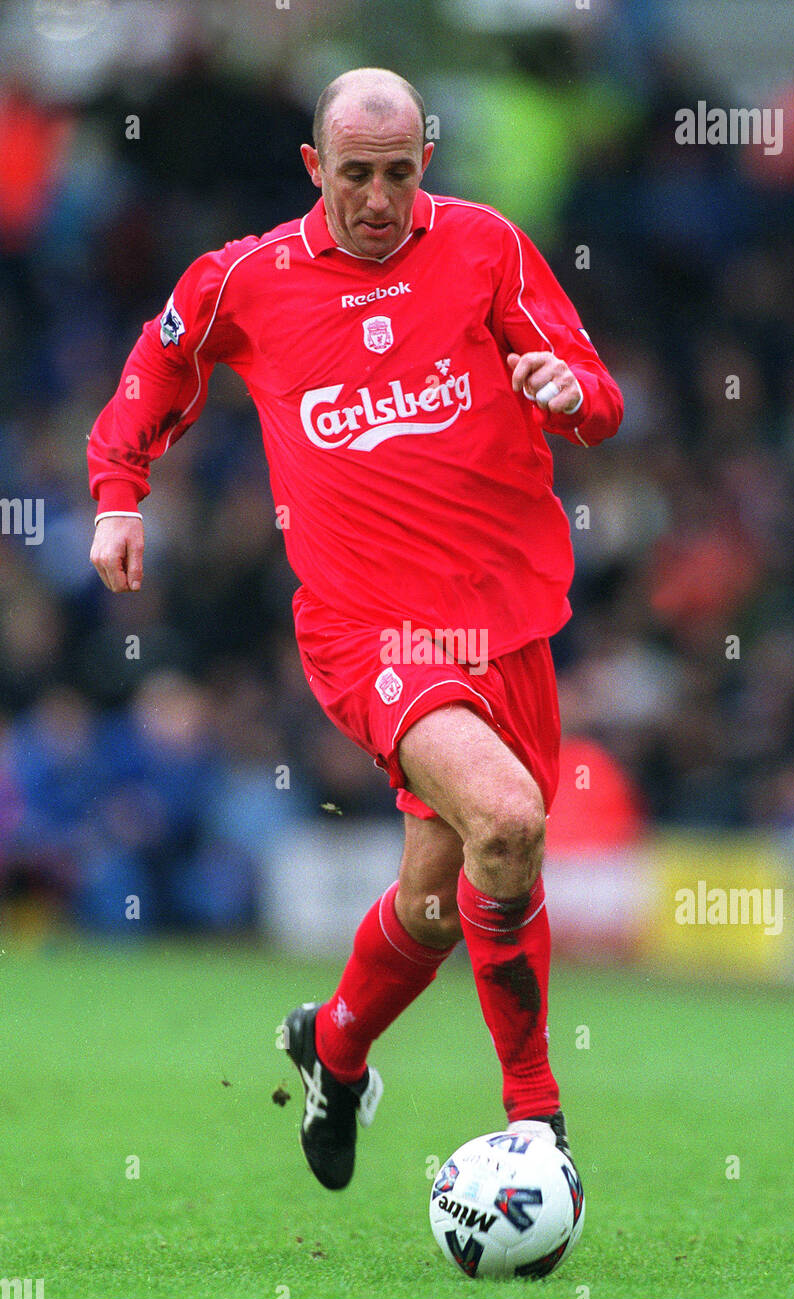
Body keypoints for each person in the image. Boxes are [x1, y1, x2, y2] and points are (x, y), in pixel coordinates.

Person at [88, 67, 623, 1198]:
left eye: (396, 173)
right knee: (512, 820)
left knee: (437, 901)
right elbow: (158, 364)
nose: (376, 199)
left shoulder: (485, 247)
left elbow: (595, 389)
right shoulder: (247, 278)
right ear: (312, 169)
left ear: (422, 160)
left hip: (506, 624)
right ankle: (536, 1118)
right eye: (354, 176)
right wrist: (118, 491)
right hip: (367, 632)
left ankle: (331, 1051)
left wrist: (568, 391)